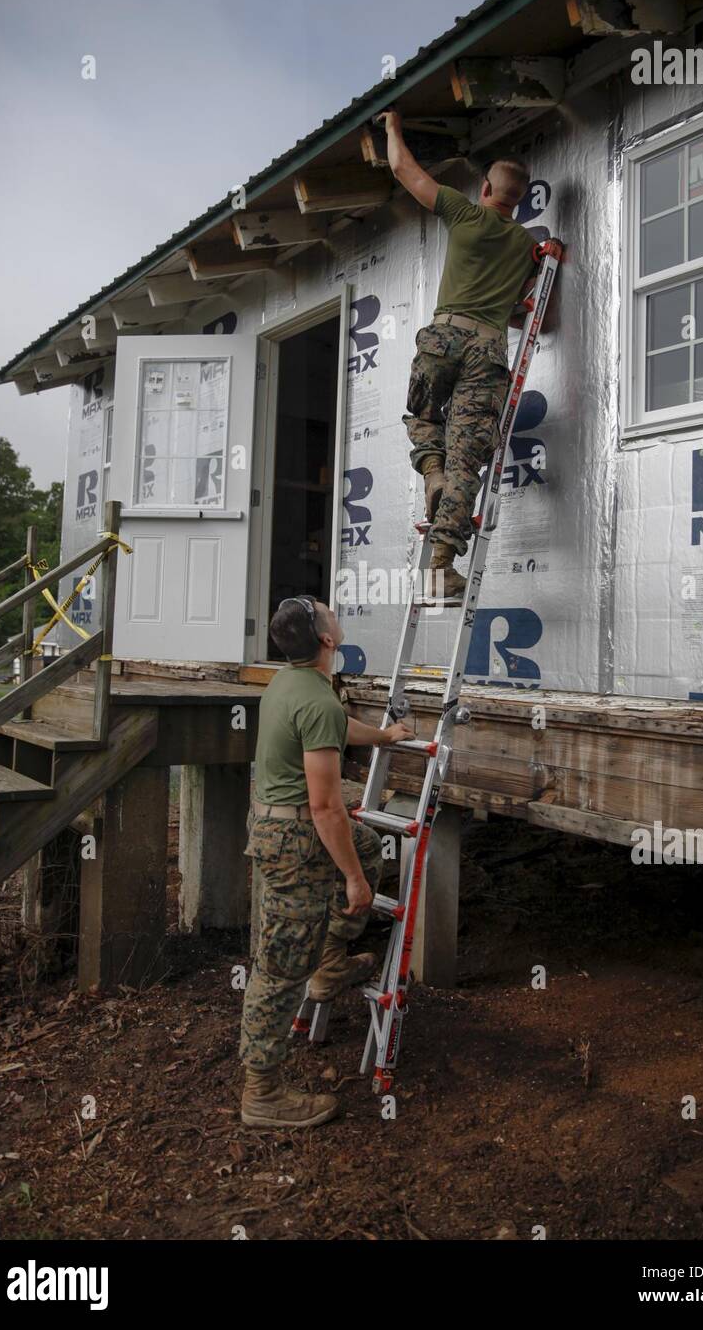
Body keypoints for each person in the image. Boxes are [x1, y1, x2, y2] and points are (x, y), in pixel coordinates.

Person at [239, 595, 414, 1128]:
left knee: (364, 843)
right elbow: (325, 805)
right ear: (326, 640)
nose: (333, 612)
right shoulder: (314, 700)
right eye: (326, 611)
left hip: (275, 826)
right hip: (295, 835)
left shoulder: (290, 685)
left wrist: (383, 735)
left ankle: (329, 962)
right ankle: (262, 1094)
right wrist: (356, 883)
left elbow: (332, 728)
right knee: (279, 967)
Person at [378, 110, 536, 599]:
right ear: (520, 200)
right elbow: (528, 314)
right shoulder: (528, 246)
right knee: (468, 459)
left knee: (424, 414)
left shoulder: (465, 214)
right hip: (488, 347)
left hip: (444, 335)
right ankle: (441, 567)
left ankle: (431, 471)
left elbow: (404, 170)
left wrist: (393, 129)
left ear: (485, 189)